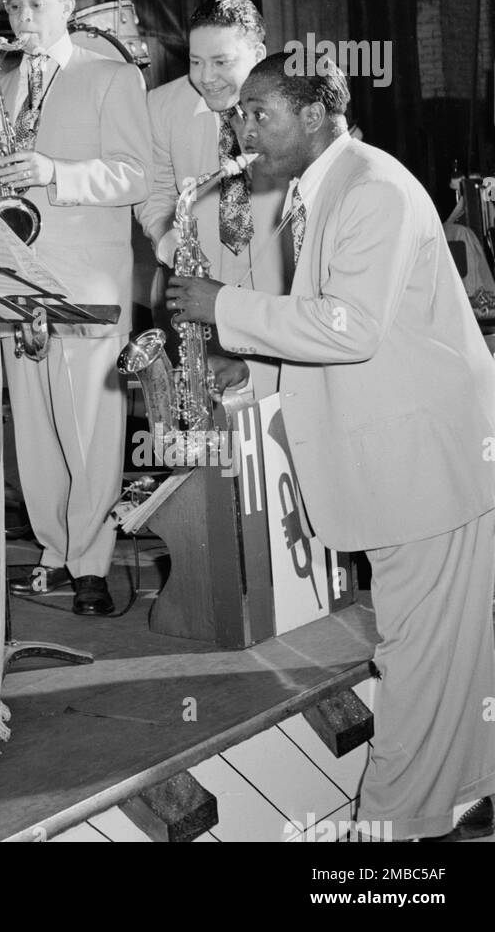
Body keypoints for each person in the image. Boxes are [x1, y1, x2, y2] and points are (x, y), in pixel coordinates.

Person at [168, 51, 495, 841]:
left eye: (257, 113)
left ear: (313, 114)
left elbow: (349, 327)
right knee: (450, 652)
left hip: (428, 463)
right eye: (239, 114)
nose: (239, 129)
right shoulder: (324, 191)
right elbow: (327, 322)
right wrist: (250, 384)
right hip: (411, 459)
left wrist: (223, 303)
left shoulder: (372, 189)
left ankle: (391, 834)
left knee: (416, 656)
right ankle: (470, 793)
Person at [0, 0, 151, 616]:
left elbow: (135, 175)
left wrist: (53, 172)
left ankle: (93, 563)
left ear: (69, 7)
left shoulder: (114, 77)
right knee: (38, 430)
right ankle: (54, 554)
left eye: (36, 4)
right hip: (16, 277)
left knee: (90, 427)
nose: (21, 18)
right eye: (13, 6)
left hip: (88, 278)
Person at [136, 0, 287, 395]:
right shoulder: (159, 106)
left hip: (278, 300)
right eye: (196, 61)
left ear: (258, 53)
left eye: (221, 62)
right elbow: (153, 187)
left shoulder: (294, 108)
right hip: (194, 299)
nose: (205, 77)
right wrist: (167, 241)